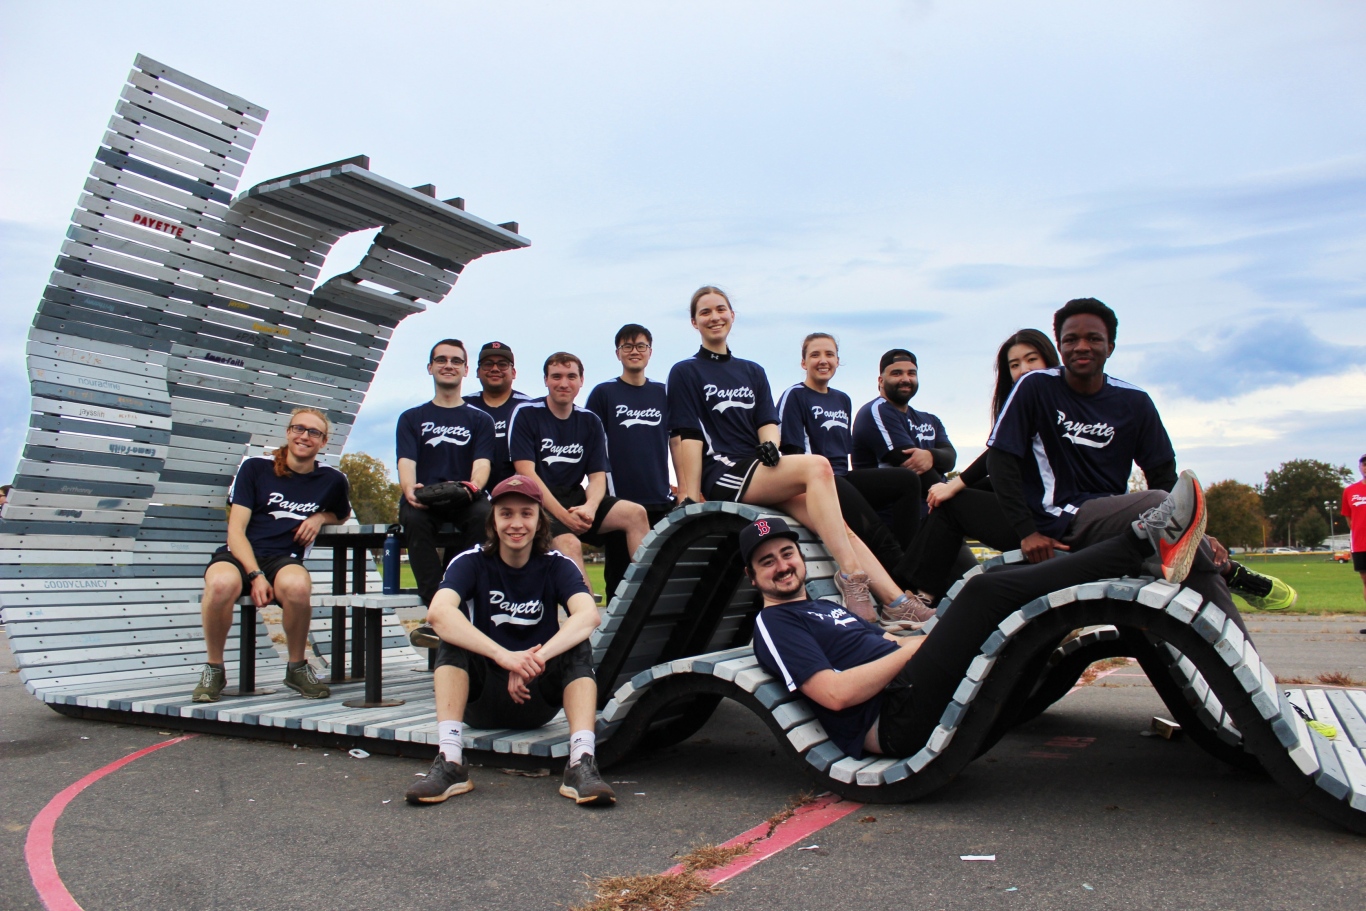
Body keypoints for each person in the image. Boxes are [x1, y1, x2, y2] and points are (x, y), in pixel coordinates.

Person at [749, 471, 1216, 761]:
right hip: (894, 718)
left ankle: (1136, 556)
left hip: (908, 683)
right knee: (983, 591)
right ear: (753, 579)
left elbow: (880, 645)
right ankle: (1138, 544)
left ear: (801, 558)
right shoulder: (775, 625)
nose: (782, 566)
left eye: (787, 554)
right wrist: (918, 648)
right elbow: (833, 695)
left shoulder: (821, 607)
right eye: (767, 562)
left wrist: (913, 640)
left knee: (998, 587)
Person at [667, 286, 924, 623]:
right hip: (725, 472)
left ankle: (896, 602)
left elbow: (767, 423)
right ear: (694, 322)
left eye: (720, 309)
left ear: (732, 315)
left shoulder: (753, 371)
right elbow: (687, 436)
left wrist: (771, 446)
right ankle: (852, 578)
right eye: (705, 312)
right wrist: (688, 494)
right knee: (817, 466)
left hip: (759, 468)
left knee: (839, 526)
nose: (714, 317)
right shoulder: (685, 371)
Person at [405, 475, 615, 806]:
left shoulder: (557, 565)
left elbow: (588, 615)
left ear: (540, 521)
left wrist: (535, 660)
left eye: (526, 513)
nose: (516, 524)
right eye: (506, 513)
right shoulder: (470, 561)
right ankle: (450, 761)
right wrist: (505, 656)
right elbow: (438, 613)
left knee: (577, 642)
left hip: (537, 698)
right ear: (492, 520)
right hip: (481, 700)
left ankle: (581, 762)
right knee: (452, 636)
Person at [192, 408, 351, 703]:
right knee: (221, 584)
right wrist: (256, 575)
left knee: (298, 586)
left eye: (313, 432)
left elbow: (342, 514)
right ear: (288, 432)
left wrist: (320, 517)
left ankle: (297, 667)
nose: (304, 436)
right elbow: (235, 531)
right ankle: (214, 668)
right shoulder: (256, 468)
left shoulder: (332, 480)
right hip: (239, 554)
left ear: (323, 441)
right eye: (298, 428)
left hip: (283, 558)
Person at [777, 333, 924, 594]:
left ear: (838, 360)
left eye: (829, 354)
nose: (823, 360)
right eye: (815, 355)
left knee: (907, 481)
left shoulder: (842, 399)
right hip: (817, 481)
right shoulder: (795, 395)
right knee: (873, 528)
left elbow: (844, 452)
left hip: (843, 475)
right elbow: (791, 452)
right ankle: (905, 591)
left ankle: (910, 562)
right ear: (803, 363)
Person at [510, 352, 649, 598]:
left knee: (635, 513)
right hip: (536, 501)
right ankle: (587, 615)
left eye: (571, 376)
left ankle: (647, 597)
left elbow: (597, 477)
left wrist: (590, 508)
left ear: (581, 381)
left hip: (575, 498)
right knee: (570, 544)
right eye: (556, 376)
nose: (564, 383)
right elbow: (526, 473)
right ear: (545, 380)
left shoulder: (590, 420)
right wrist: (564, 517)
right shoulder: (527, 413)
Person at [397, 339, 496, 649]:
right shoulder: (411, 417)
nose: (448, 365)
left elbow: (482, 464)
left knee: (483, 515)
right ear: (430, 368)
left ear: (465, 370)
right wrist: (409, 489)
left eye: (456, 360)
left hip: (464, 496)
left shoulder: (480, 419)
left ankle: (458, 601)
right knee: (413, 518)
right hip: (425, 495)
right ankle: (438, 610)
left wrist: (474, 487)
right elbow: (406, 461)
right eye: (441, 360)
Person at [585, 323, 674, 522]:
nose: (634, 351)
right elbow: (590, 447)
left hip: (660, 496)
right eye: (627, 346)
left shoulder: (664, 393)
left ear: (650, 352)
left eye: (641, 346)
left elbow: (677, 442)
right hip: (617, 498)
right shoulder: (603, 393)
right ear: (618, 353)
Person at [850, 349, 956, 481]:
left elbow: (950, 458)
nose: (905, 379)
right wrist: (944, 491)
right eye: (897, 373)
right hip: (894, 492)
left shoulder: (931, 420)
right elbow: (910, 464)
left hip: (934, 490)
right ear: (881, 381)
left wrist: (931, 455)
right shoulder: (876, 411)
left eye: (911, 373)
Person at [463, 341, 533, 489]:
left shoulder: (528, 408)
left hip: (517, 491)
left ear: (513, 372)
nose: (495, 369)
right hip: (469, 490)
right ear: (478, 372)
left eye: (502, 364)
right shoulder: (464, 407)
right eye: (488, 364)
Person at [1342, 455, 1366, 606]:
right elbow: (1348, 517)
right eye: (1364, 465)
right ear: (1360, 468)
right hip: (1360, 543)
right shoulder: (1350, 491)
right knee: (1365, 579)